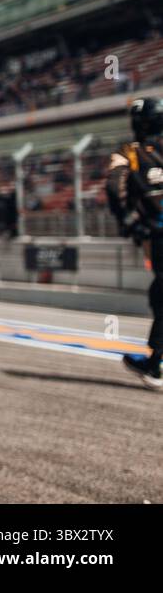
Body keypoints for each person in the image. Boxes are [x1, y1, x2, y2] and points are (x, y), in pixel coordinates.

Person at [106, 97, 163, 390]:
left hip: (157, 231)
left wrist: (129, 222)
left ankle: (158, 364)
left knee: (161, 293)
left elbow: (114, 187)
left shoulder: (130, 151)